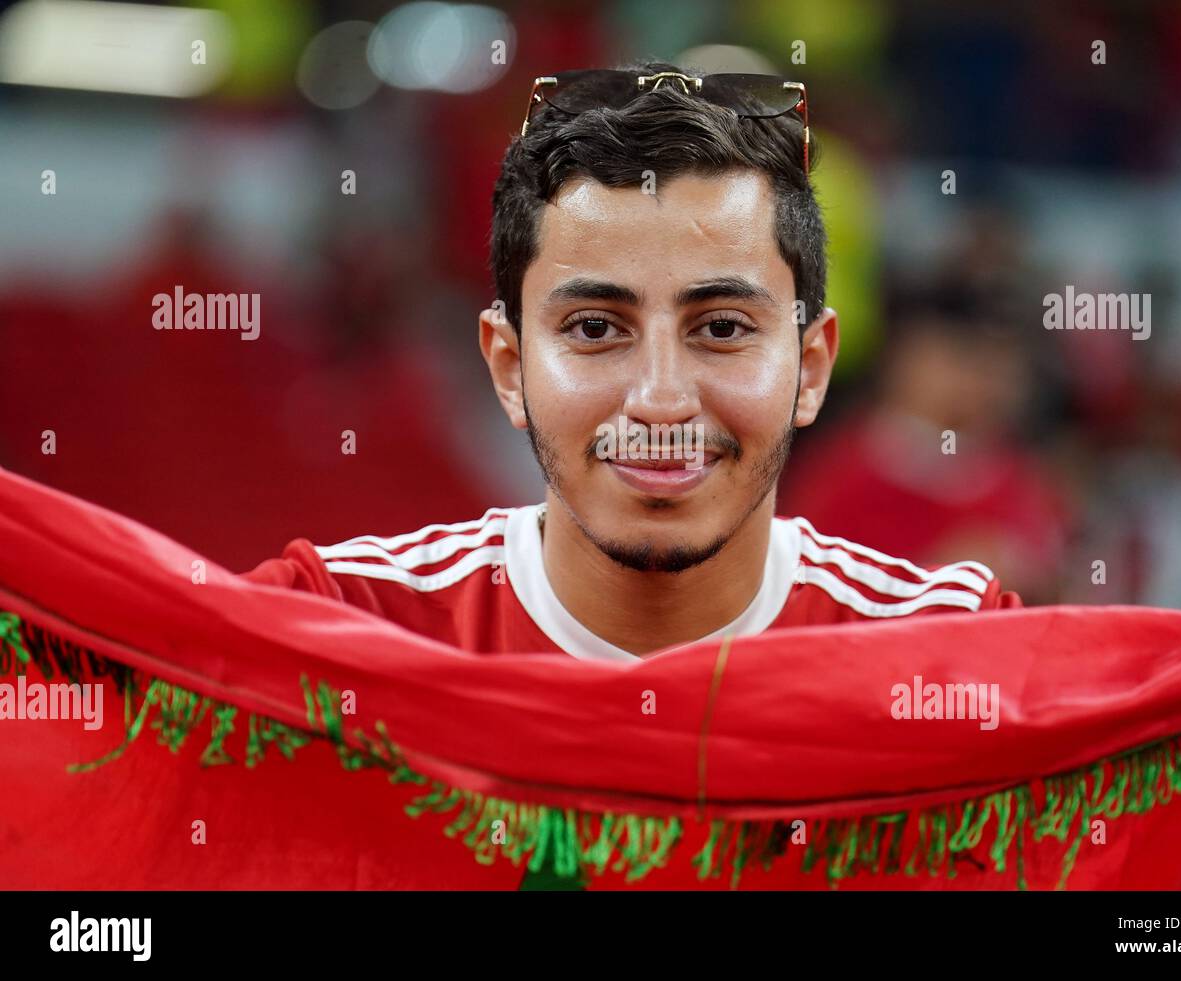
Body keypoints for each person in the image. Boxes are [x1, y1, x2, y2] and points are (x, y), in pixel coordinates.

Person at [245, 62, 1026, 659]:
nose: (659, 399)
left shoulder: (962, 653)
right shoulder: (335, 627)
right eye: (594, 329)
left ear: (813, 367)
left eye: (721, 328)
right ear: (509, 367)